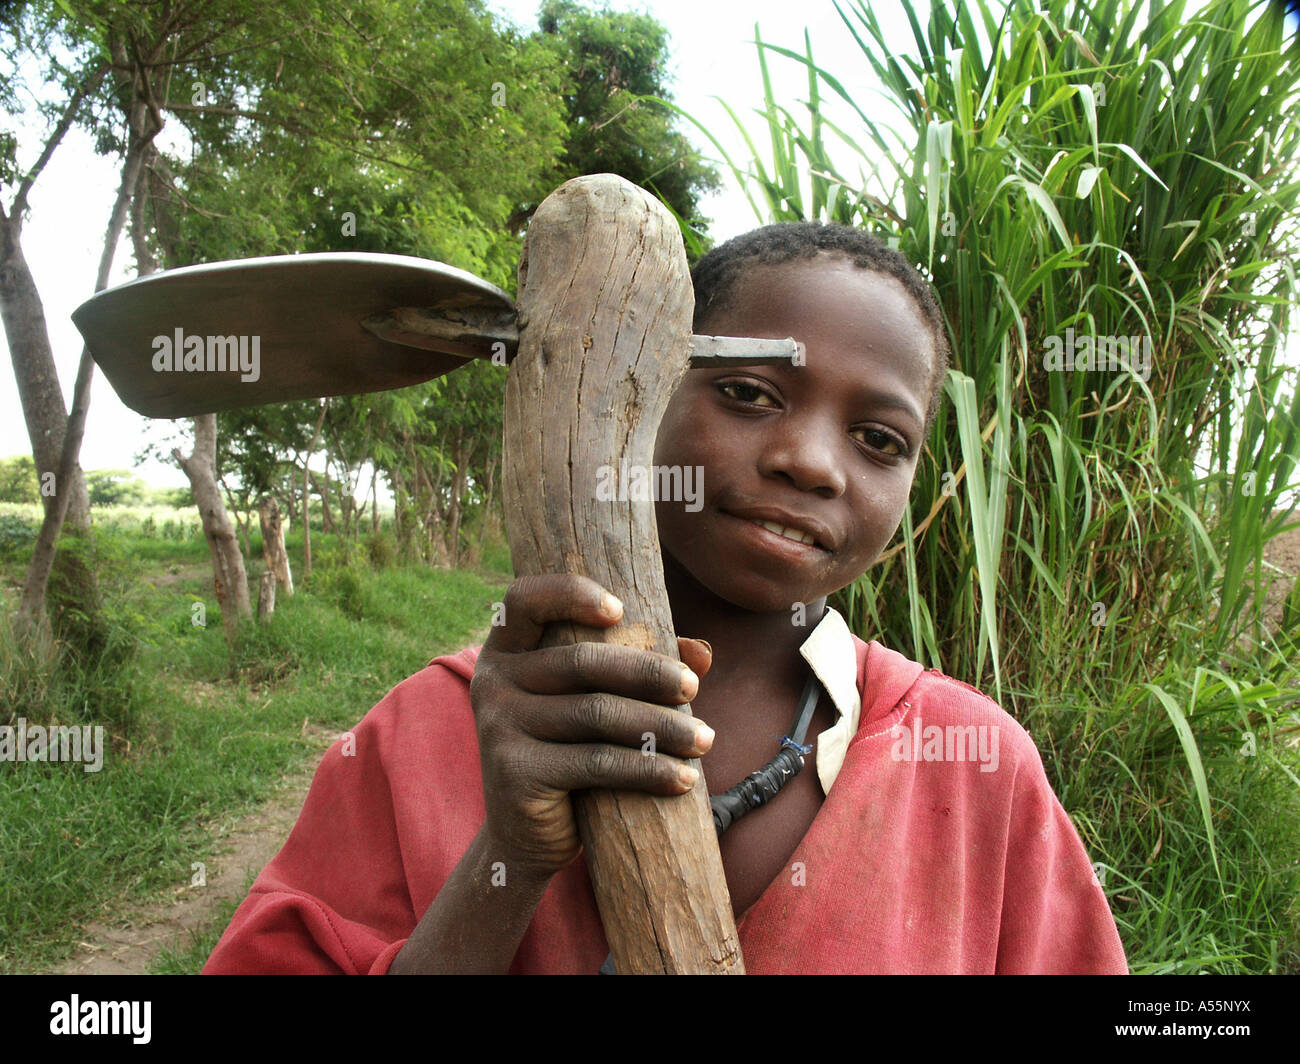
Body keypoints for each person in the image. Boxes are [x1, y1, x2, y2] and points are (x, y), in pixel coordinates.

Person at [203, 222, 1128, 975]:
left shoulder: (974, 768)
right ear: (639, 395)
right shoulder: (420, 736)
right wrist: (508, 864)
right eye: (748, 391)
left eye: (879, 440)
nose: (809, 459)